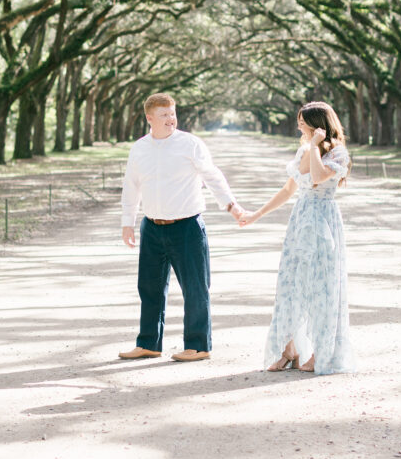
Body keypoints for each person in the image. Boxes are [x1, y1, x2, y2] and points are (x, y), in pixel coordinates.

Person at [119, 93, 245, 362]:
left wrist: (232, 207)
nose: (170, 119)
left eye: (173, 113)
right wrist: (127, 223)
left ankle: (198, 345)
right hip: (151, 227)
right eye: (164, 115)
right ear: (149, 118)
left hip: (186, 226)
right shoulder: (139, 148)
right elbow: (131, 186)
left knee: (195, 288)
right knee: (149, 288)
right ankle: (149, 343)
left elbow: (213, 177)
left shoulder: (190, 144)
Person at [240, 101, 355, 375]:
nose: (299, 127)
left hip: (324, 224)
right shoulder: (304, 150)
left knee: (321, 288)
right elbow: (288, 190)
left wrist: (315, 146)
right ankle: (288, 349)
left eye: (303, 123)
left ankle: (321, 353)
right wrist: (255, 214)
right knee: (290, 286)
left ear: (319, 126)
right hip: (300, 223)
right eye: (299, 122)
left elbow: (316, 177)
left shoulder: (338, 154)